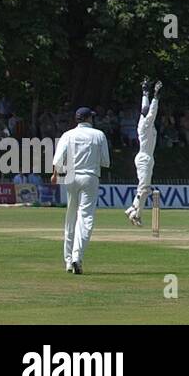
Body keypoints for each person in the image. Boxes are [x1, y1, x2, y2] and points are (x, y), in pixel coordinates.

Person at [51, 107, 111, 274]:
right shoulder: (99, 135)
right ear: (89, 119)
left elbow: (57, 159)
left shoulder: (68, 135)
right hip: (90, 177)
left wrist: (55, 175)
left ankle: (68, 261)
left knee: (70, 217)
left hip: (70, 177)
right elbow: (105, 161)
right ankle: (77, 257)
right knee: (85, 218)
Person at [125, 78, 161, 227]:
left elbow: (145, 108)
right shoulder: (145, 124)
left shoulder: (144, 120)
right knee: (144, 189)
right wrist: (156, 96)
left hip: (148, 157)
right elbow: (152, 112)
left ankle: (133, 210)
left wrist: (145, 93)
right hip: (144, 158)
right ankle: (135, 213)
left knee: (145, 189)